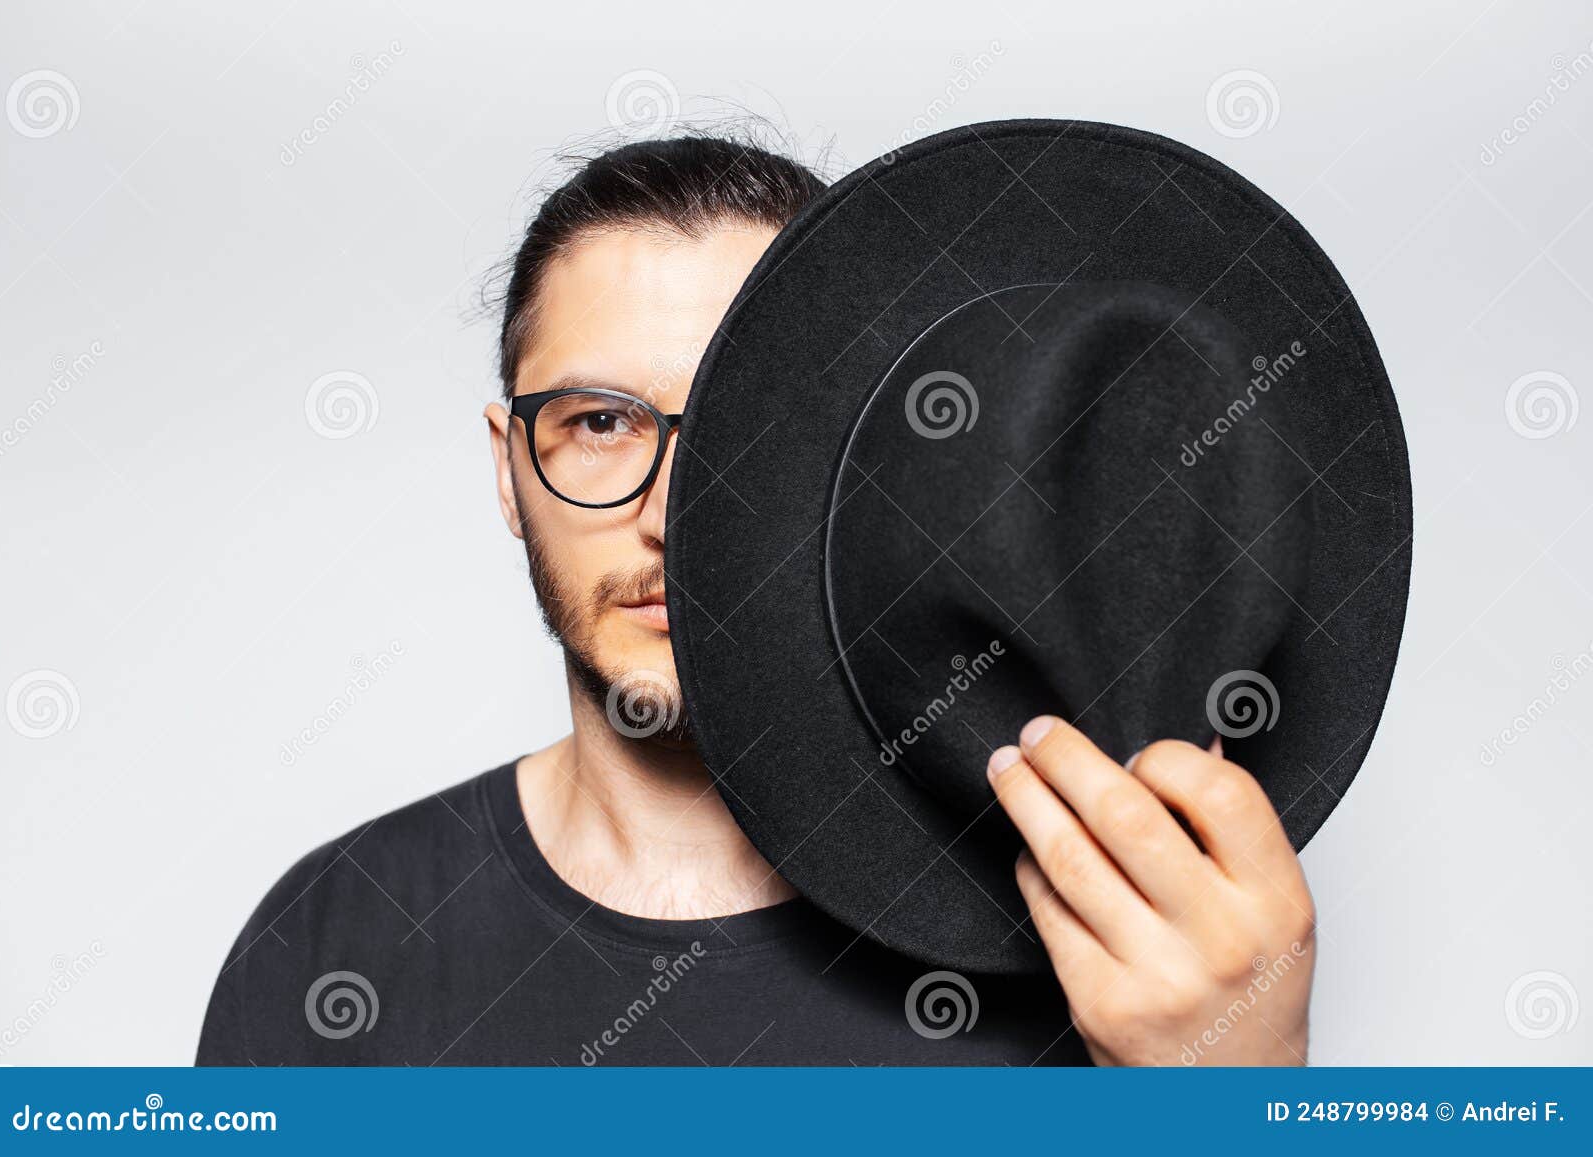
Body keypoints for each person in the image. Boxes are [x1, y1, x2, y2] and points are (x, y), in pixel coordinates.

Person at [196, 133, 1316, 1066]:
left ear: (854, 468)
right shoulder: (335, 941)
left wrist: (1237, 1102)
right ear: (508, 468)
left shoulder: (1115, 946)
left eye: (746, 431)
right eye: (600, 422)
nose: (674, 517)